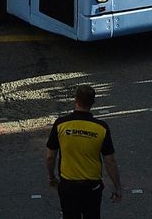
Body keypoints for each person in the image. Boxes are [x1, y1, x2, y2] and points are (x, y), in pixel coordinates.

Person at [46, 84, 124, 219]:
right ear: (93, 103)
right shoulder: (101, 128)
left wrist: (52, 177)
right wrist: (117, 187)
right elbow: (109, 161)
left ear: (75, 99)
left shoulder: (61, 124)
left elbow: (50, 156)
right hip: (92, 187)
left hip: (68, 185)